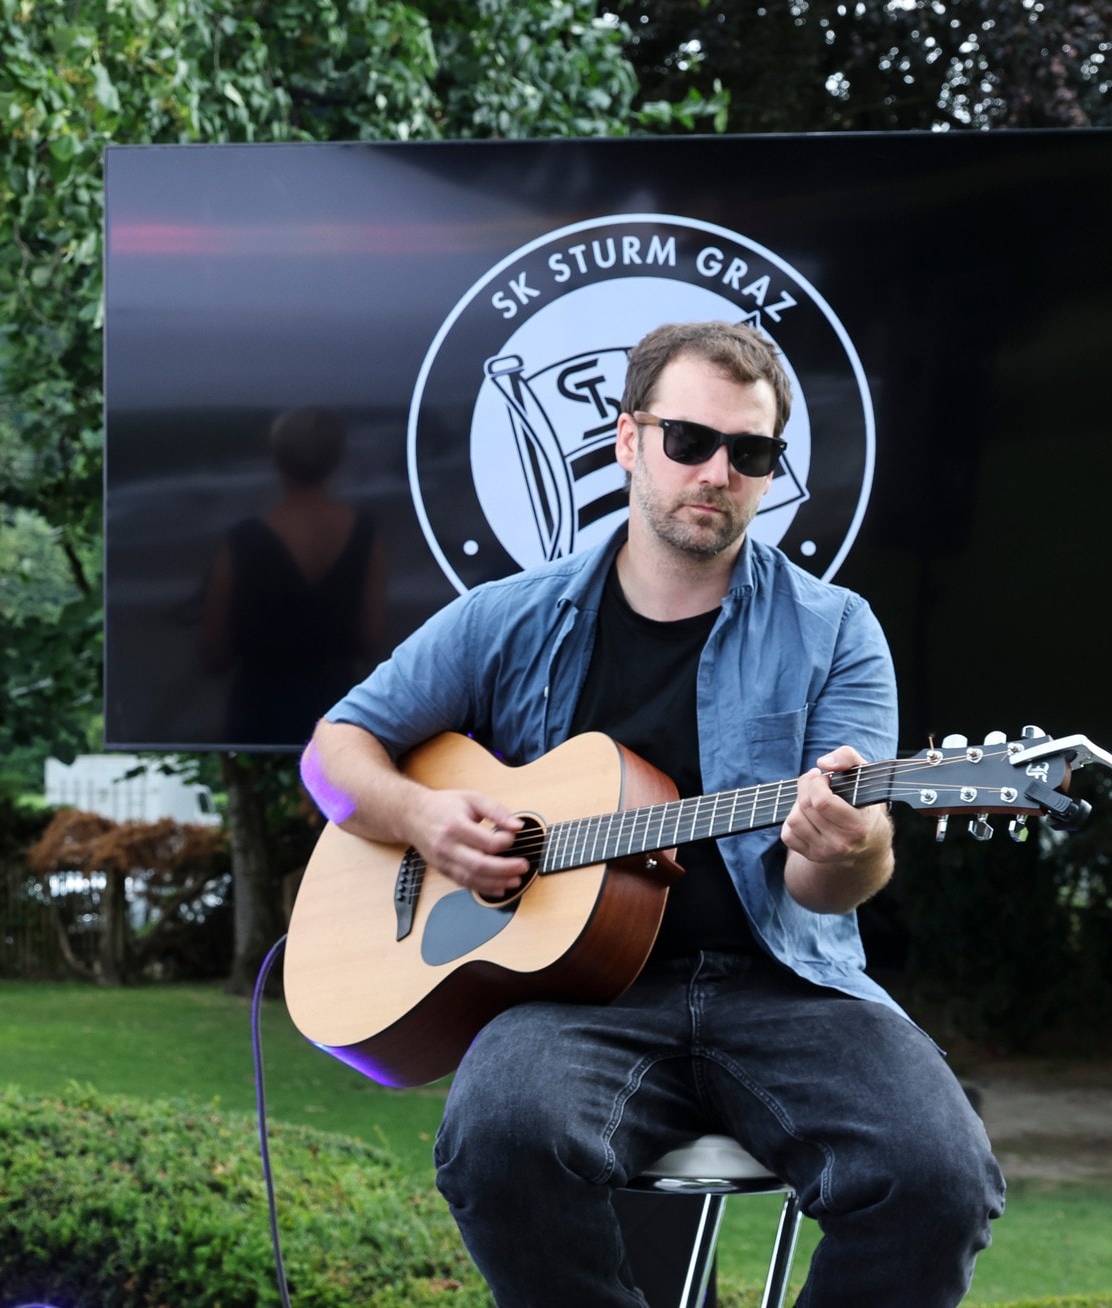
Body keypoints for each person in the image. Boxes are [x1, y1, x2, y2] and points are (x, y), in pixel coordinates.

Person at [302, 320, 1003, 1306]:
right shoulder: (506, 618)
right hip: (569, 1000)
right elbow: (335, 749)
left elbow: (830, 878)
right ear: (629, 440)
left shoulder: (833, 629)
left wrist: (845, 844)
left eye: (750, 454)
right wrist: (422, 820)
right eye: (689, 441)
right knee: (494, 1143)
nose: (717, 472)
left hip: (784, 986)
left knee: (938, 1178)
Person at [199, 406, 386, 745]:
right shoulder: (365, 535)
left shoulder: (241, 540)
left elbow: (214, 654)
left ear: (277, 460)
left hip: (258, 716)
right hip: (339, 715)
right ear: (336, 459)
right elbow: (370, 642)